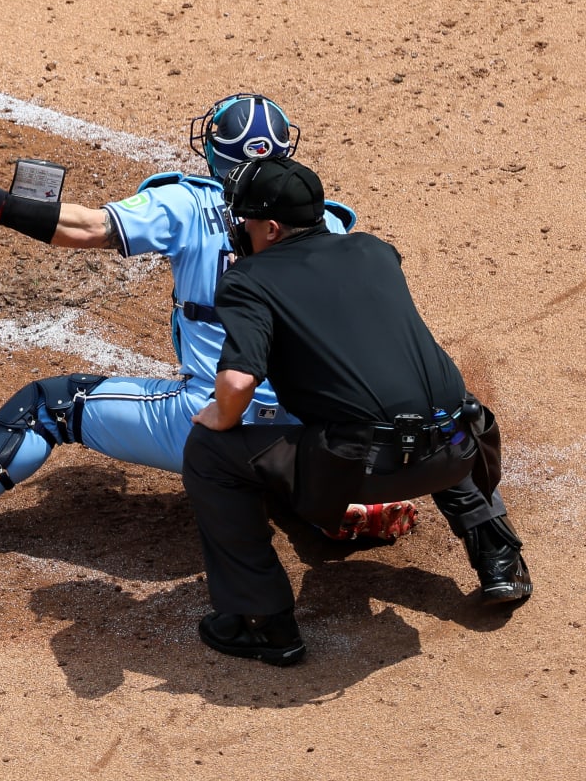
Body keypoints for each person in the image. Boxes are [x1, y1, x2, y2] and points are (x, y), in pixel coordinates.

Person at [0, 92, 416, 567]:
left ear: (216, 152)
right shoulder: (326, 221)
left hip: (215, 418)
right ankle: (331, 498)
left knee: (49, 406)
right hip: (312, 425)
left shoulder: (188, 204)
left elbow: (85, 228)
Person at [184, 154, 530, 666]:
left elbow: (238, 382)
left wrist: (221, 415)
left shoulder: (248, 279)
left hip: (362, 470)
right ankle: (500, 558)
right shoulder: (374, 250)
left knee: (209, 451)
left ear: (271, 228)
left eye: (248, 219)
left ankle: (261, 622)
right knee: (423, 410)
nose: (241, 227)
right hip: (462, 449)